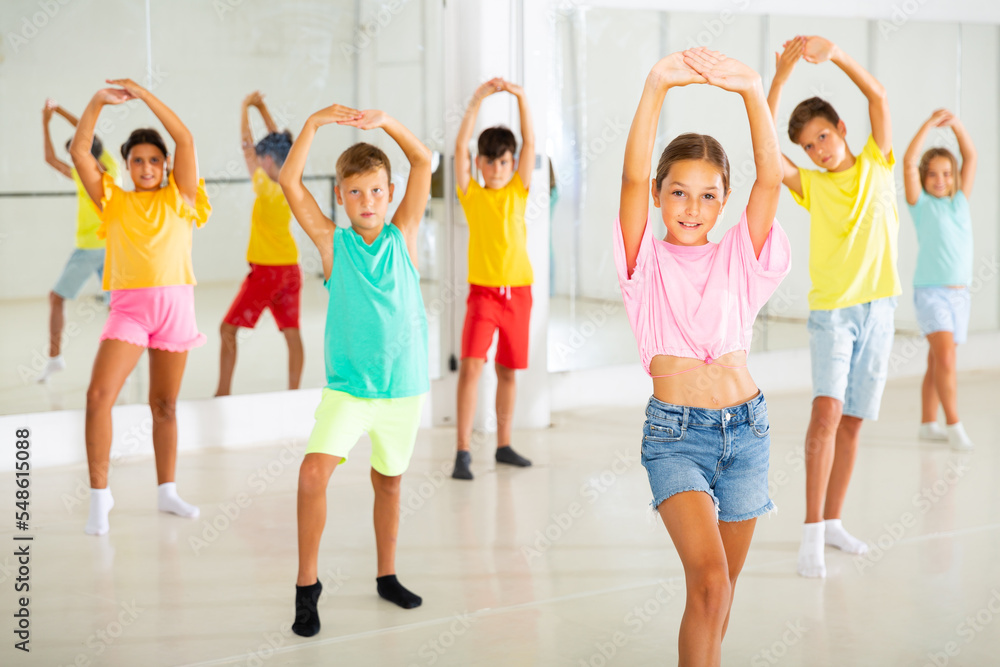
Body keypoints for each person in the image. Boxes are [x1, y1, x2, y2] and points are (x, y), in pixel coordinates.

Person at [616, 48, 789, 665]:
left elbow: (770, 178)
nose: (692, 208)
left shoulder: (741, 255)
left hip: (747, 431)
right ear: (661, 195)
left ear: (723, 202)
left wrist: (750, 89)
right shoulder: (645, 262)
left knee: (718, 594)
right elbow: (632, 177)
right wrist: (657, 81)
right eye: (679, 192)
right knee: (711, 581)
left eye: (708, 196)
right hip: (677, 437)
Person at [278, 103, 432, 637]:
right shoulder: (332, 243)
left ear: (389, 195)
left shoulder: (403, 235)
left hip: (403, 391)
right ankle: (307, 587)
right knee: (312, 474)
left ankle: (386, 574)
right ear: (340, 198)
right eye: (355, 192)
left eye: (376, 190)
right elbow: (289, 181)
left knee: (388, 483)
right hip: (349, 390)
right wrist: (315, 123)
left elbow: (423, 159)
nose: (367, 201)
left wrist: (386, 121)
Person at [768, 35, 902, 578]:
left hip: (881, 311)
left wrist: (838, 54)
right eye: (808, 146)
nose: (820, 150)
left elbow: (880, 98)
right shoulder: (811, 187)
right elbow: (762, 149)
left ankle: (832, 523)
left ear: (841, 130)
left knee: (851, 423)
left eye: (823, 137)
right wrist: (778, 77)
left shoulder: (878, 161)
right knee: (825, 414)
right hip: (833, 316)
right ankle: (809, 537)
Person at [71, 79, 210, 536]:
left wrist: (146, 95)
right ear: (127, 166)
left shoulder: (182, 197)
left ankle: (167, 490)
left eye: (154, 159)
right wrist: (97, 102)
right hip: (129, 312)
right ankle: (99, 496)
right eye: (138, 161)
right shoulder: (113, 200)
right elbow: (78, 152)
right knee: (98, 397)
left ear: (165, 164)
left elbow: (185, 137)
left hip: (176, 311)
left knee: (165, 404)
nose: (146, 166)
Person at [451, 77, 535, 480]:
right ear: (480, 163)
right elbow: (458, 151)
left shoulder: (519, 189)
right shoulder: (472, 193)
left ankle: (503, 444)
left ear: (513, 163)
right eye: (490, 161)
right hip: (483, 295)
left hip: (518, 293)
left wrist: (519, 97)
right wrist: (477, 100)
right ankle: (463, 450)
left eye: (504, 161)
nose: (497, 168)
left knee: (507, 371)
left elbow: (531, 145)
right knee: (470, 368)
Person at [216, 91, 303, 396]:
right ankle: (294, 392)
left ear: (267, 160)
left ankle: (222, 393)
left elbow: (247, 147)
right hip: (291, 269)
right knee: (292, 334)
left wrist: (244, 108)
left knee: (227, 330)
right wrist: (263, 107)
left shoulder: (267, 187)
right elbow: (282, 146)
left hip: (267, 271)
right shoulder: (292, 182)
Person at [903, 109, 977, 450]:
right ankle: (954, 424)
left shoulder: (960, 202)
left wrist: (957, 126)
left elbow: (971, 154)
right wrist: (927, 125)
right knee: (946, 359)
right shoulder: (921, 205)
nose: (940, 179)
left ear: (955, 177)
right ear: (924, 177)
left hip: (960, 295)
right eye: (932, 174)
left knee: (937, 361)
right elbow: (908, 161)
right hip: (931, 292)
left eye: (946, 173)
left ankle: (925, 423)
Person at [37, 99, 120, 382]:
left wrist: (51, 117)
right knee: (115, 306)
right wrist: (52, 116)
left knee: (56, 298)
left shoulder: (95, 169)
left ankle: (54, 358)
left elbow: (84, 136)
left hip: (92, 248)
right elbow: (59, 154)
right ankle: (122, 364)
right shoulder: (101, 168)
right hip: (111, 247)